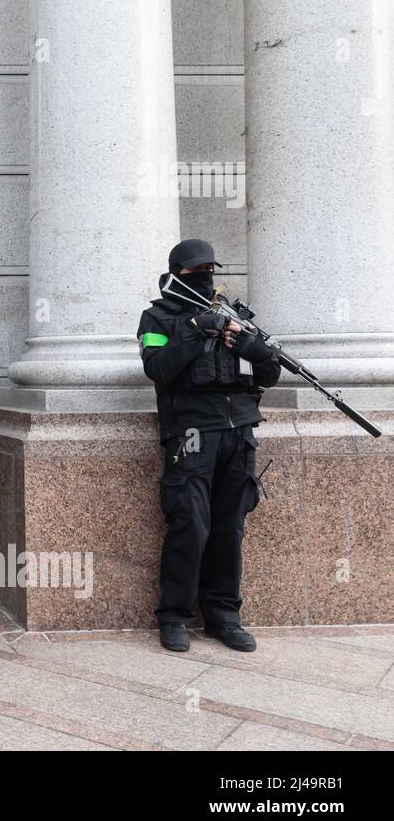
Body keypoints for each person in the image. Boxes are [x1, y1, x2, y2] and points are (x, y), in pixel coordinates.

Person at [138, 238, 280, 654]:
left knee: (229, 527)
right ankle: (175, 616)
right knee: (190, 524)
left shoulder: (232, 314)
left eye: (209, 271)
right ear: (176, 273)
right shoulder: (157, 318)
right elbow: (157, 369)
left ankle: (223, 616)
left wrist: (257, 351)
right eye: (195, 272)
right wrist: (197, 332)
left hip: (239, 431)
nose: (204, 279)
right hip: (192, 433)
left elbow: (269, 374)